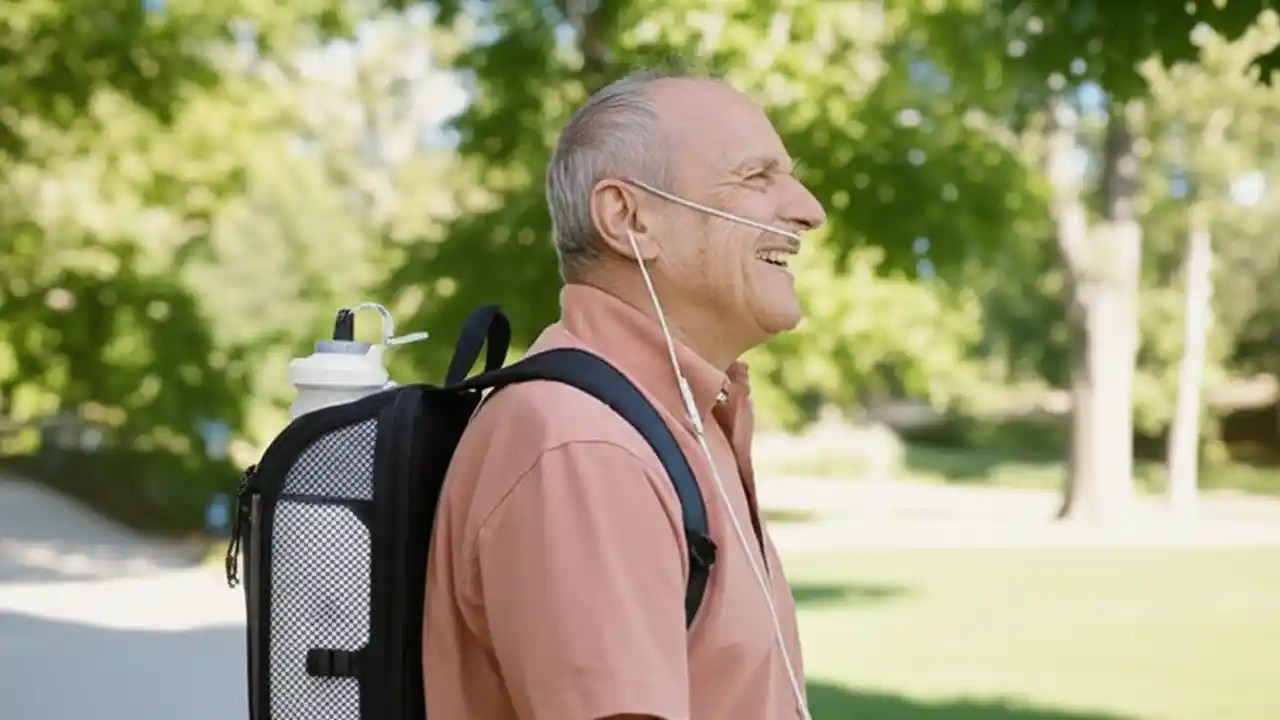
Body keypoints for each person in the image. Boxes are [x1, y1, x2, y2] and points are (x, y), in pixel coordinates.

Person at [422, 69, 827, 720]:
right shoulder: (584, 447)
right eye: (758, 177)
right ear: (629, 218)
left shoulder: (666, 420)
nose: (809, 209)